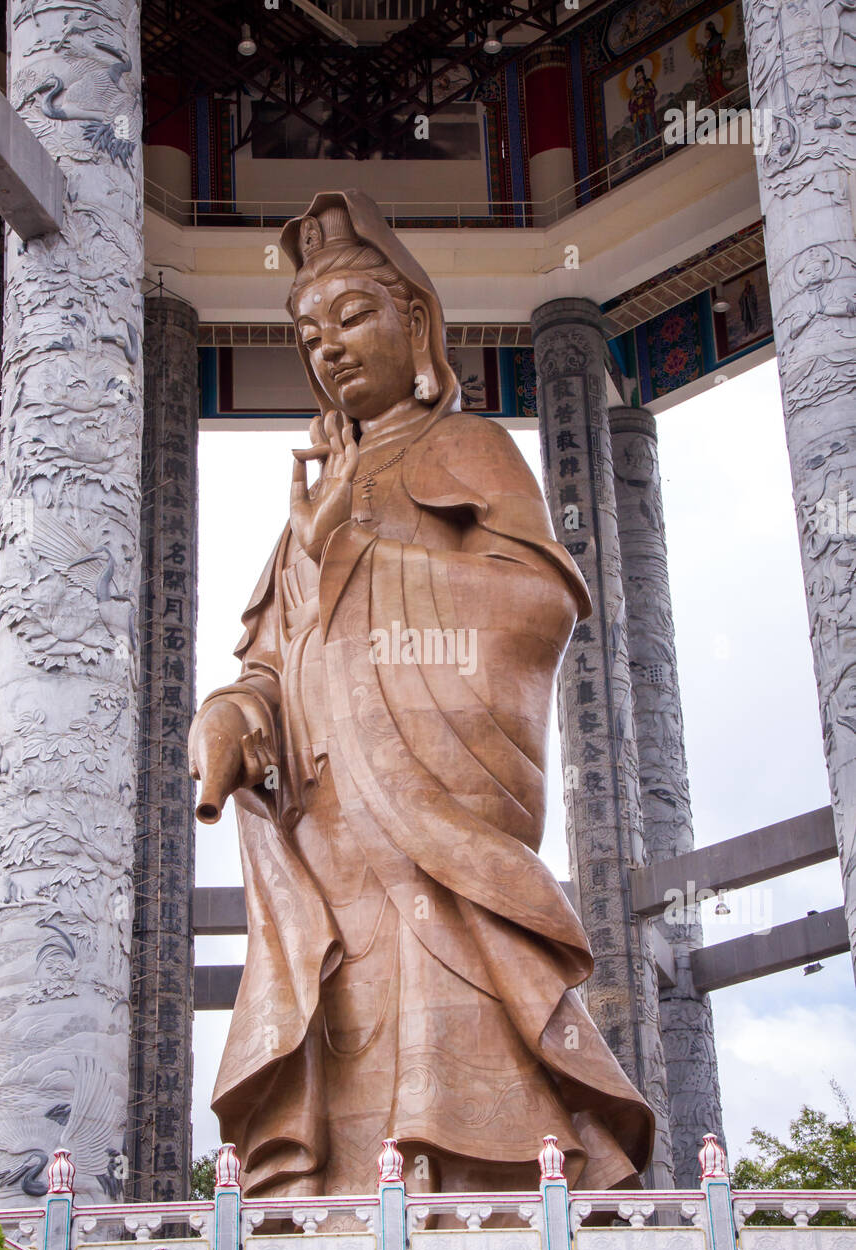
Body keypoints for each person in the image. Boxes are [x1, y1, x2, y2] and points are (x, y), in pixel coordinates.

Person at [188, 190, 654, 1199]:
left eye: (354, 317)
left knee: (453, 998)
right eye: (311, 335)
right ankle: (334, 1189)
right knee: (342, 1003)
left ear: (416, 320)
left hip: (432, 808)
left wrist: (355, 543)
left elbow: (535, 604)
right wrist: (235, 711)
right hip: (329, 827)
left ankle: (493, 1180)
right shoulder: (310, 502)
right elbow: (278, 652)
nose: (331, 351)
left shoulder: (466, 448)